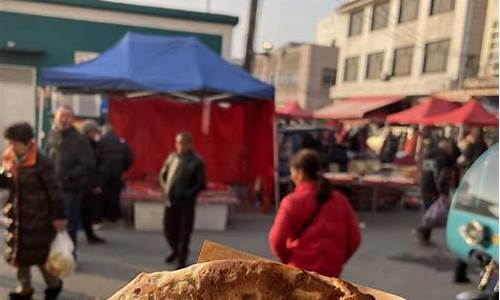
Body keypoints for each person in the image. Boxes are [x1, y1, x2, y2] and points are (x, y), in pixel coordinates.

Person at [268, 149, 361, 277]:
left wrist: (289, 260)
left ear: (300, 173)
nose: (292, 177)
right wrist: (337, 260)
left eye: (292, 172)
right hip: (331, 274)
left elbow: (276, 240)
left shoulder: (291, 202)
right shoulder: (340, 199)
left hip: (300, 273)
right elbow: (355, 238)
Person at [1, 122, 65, 300]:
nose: (11, 147)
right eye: (10, 142)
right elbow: (6, 181)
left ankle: (54, 285)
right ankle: (24, 289)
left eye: (15, 143)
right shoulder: (10, 158)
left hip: (39, 219)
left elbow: (54, 191)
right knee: (19, 257)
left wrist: (59, 216)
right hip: (16, 218)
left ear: (28, 143)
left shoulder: (42, 162)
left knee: (42, 258)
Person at [46, 106, 95, 252]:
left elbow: (88, 163)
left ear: (72, 119)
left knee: (69, 224)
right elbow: (48, 157)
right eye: (61, 116)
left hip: (71, 189)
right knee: (52, 223)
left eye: (67, 116)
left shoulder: (80, 139)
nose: (64, 119)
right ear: (56, 118)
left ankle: (69, 255)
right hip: (53, 188)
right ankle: (55, 255)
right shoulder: (52, 135)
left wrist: (69, 176)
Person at [159, 132, 206, 269]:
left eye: (183, 143)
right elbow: (163, 175)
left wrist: (186, 193)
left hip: (186, 203)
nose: (180, 146)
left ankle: (181, 258)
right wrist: (165, 187)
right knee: (168, 229)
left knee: (184, 232)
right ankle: (175, 250)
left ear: (190, 144)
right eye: (178, 143)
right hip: (170, 201)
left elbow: (201, 184)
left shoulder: (197, 161)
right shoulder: (172, 157)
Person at [414, 139, 456, 244]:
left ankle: (424, 235)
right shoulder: (443, 159)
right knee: (433, 213)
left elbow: (425, 171)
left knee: (430, 211)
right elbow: (440, 177)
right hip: (434, 189)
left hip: (425, 186)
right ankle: (422, 231)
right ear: (446, 148)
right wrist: (442, 191)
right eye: (450, 148)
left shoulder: (429, 155)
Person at [97, 124, 133, 223]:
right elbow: (130, 158)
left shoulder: (100, 142)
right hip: (117, 172)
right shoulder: (122, 141)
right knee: (115, 194)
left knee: (102, 194)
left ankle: (102, 215)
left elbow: (96, 157)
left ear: (104, 131)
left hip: (103, 173)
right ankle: (113, 217)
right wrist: (123, 168)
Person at [80, 120, 106, 244]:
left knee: (87, 210)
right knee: (86, 210)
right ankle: (89, 235)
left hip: (88, 182)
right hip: (86, 183)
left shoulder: (92, 144)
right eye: (94, 132)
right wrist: (95, 184)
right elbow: (90, 166)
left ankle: (90, 234)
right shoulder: (85, 144)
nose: (95, 134)